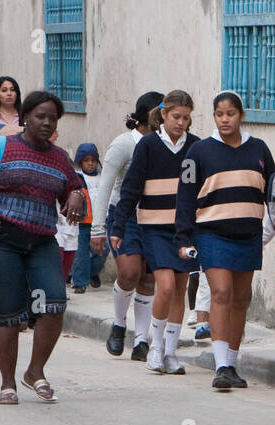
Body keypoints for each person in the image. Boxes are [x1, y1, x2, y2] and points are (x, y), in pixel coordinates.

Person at [0, 91, 87, 405]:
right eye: (40, 116)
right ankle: (7, 382)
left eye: (52, 118)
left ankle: (35, 371)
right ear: (24, 118)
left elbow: (73, 188)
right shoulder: (0, 148)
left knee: (54, 303)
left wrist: (78, 193)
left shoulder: (60, 158)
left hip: (41, 242)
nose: (47, 122)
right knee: (9, 312)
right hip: (0, 242)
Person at [176, 91, 275, 389]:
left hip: (249, 234)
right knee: (221, 292)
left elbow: (272, 192)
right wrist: (183, 237)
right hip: (212, 233)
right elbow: (185, 196)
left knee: (241, 299)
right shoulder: (198, 153)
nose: (225, 119)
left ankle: (231, 363)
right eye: (219, 114)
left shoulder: (258, 149)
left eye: (230, 113)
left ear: (241, 116)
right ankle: (220, 366)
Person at [117, 90, 201, 376]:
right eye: (176, 116)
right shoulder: (148, 146)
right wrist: (117, 226)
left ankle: (171, 352)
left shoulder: (196, 147)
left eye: (186, 118)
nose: (181, 123)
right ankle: (154, 347)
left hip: (184, 230)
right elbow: (131, 187)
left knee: (179, 289)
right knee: (164, 286)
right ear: (163, 115)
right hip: (153, 228)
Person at [98, 92, 163, 359]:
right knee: (129, 272)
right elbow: (105, 185)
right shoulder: (124, 144)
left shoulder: (165, 143)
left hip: (155, 216)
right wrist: (97, 229)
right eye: (162, 111)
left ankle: (140, 340)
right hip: (125, 215)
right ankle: (118, 324)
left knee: (149, 278)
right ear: (148, 115)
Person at [71, 143, 107, 293]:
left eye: (93, 160)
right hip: (83, 222)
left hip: (101, 221)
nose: (90, 163)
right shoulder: (77, 178)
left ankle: (92, 272)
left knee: (103, 252)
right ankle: (79, 282)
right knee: (82, 253)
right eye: (86, 160)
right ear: (80, 161)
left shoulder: (103, 177)